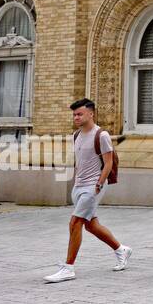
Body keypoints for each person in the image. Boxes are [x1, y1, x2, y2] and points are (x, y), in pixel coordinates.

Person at [44, 99, 132, 283]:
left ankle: (68, 268)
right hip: (79, 186)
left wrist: (99, 183)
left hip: (93, 186)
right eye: (74, 114)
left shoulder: (101, 135)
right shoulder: (76, 135)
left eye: (80, 114)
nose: (76, 117)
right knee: (91, 225)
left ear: (91, 114)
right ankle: (121, 249)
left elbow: (108, 163)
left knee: (75, 223)